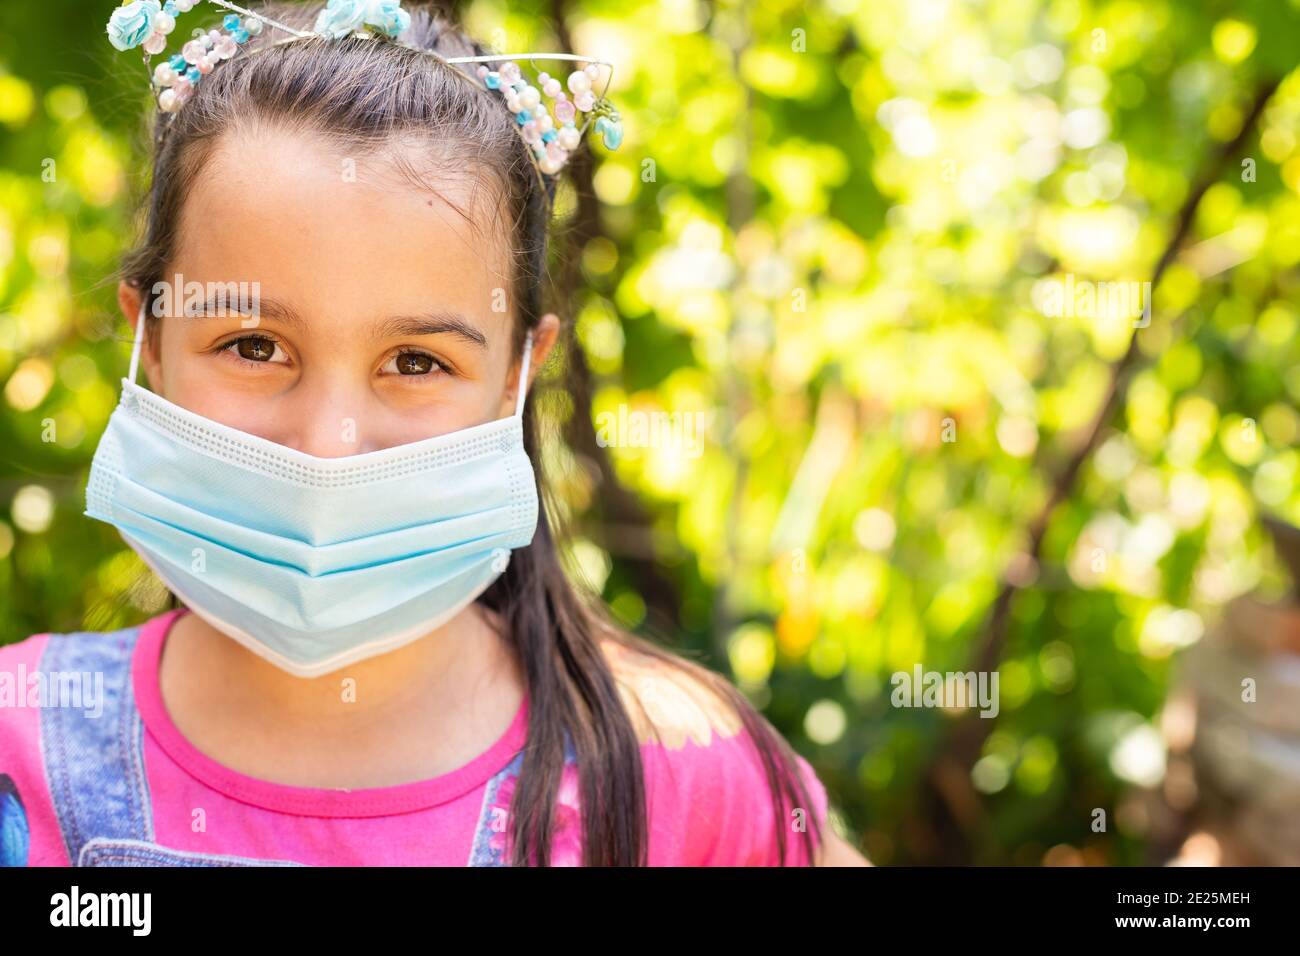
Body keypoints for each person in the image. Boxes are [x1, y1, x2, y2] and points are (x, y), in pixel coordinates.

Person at [0, 0, 868, 867]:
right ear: (150, 341)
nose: (330, 445)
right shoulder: (19, 740)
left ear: (516, 378)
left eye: (416, 363)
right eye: (253, 346)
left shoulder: (683, 777)